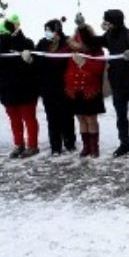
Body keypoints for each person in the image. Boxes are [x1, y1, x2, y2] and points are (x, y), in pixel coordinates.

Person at [76, 9, 129, 157]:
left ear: (115, 22)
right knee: (121, 116)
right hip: (117, 83)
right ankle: (124, 144)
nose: (105, 24)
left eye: (108, 22)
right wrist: (82, 28)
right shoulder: (109, 36)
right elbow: (92, 42)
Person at [0, 15, 40, 158]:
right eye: (3, 32)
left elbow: (35, 66)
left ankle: (32, 145)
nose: (4, 35)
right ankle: (19, 144)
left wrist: (29, 60)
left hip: (26, 90)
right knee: (14, 120)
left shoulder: (27, 43)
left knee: (29, 118)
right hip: (7, 90)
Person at [65, 24, 107, 158]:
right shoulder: (70, 48)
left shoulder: (96, 50)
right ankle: (86, 147)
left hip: (91, 90)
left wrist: (84, 63)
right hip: (74, 89)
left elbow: (99, 68)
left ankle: (95, 148)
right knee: (81, 119)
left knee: (91, 119)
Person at [36, 19, 76, 155]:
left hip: (65, 86)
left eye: (49, 30)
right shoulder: (42, 43)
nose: (47, 33)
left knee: (67, 117)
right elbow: (37, 59)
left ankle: (70, 143)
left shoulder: (67, 42)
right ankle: (55, 146)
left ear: (56, 30)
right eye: (45, 30)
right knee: (52, 118)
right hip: (48, 87)